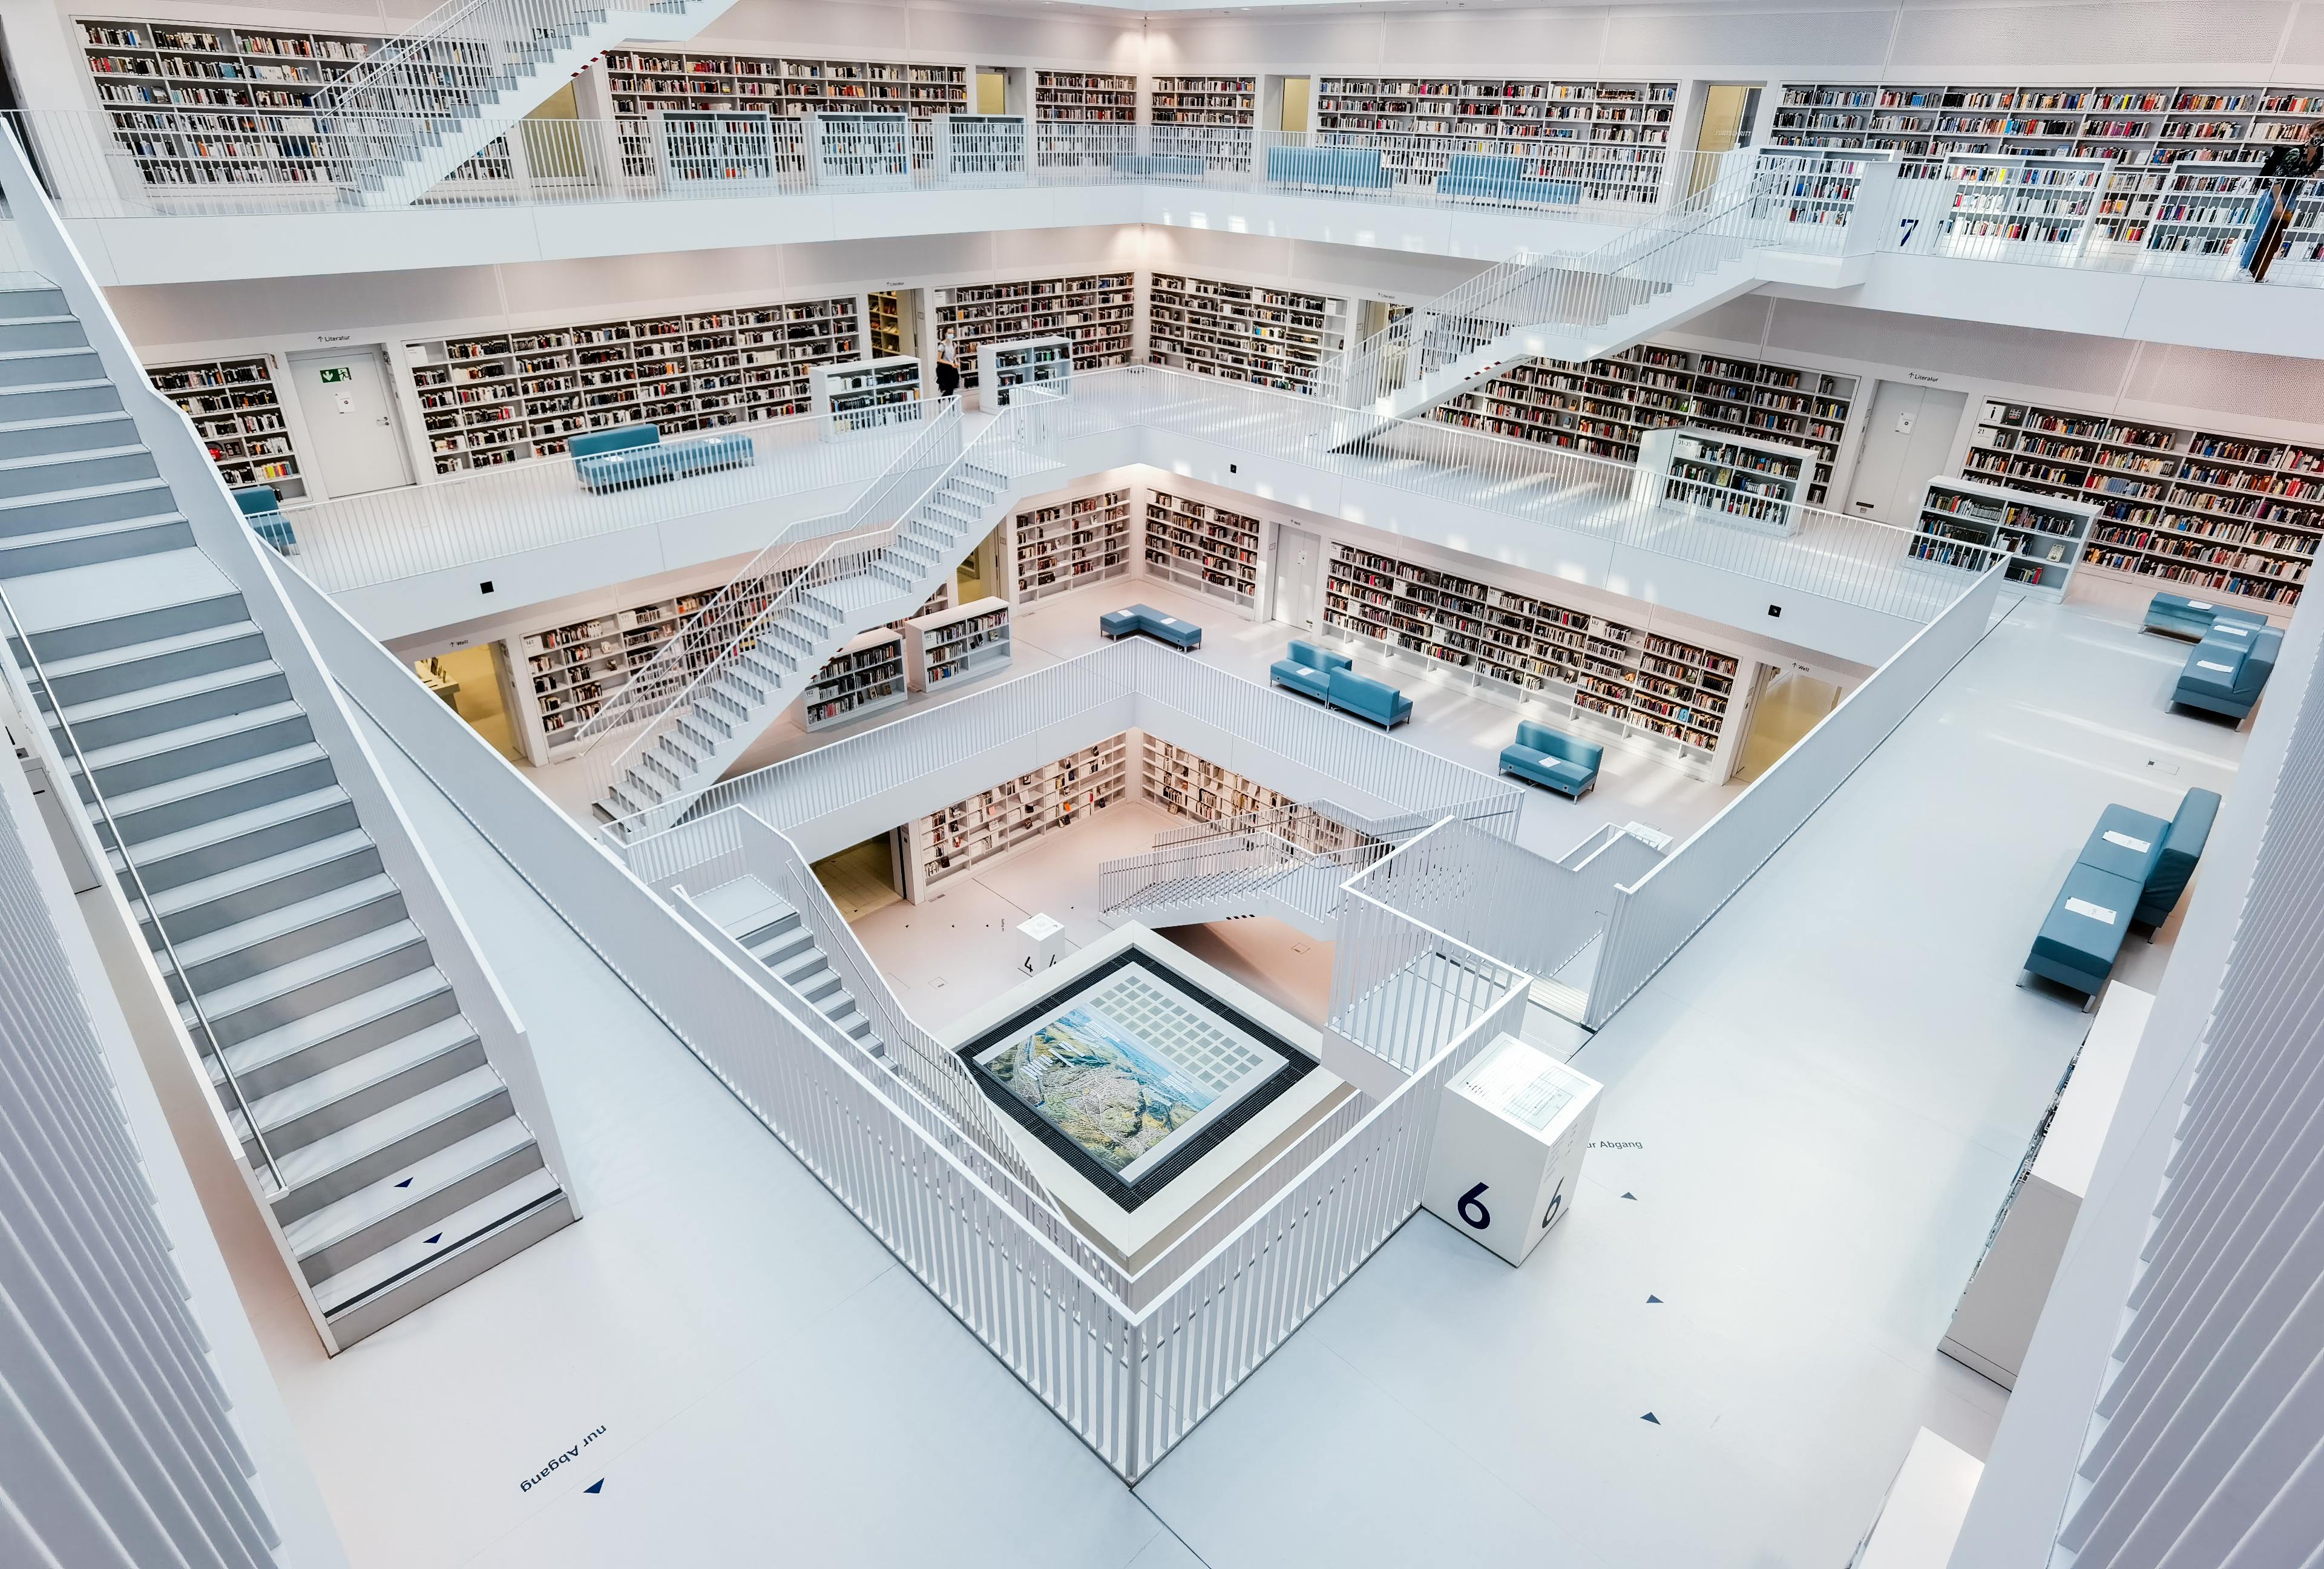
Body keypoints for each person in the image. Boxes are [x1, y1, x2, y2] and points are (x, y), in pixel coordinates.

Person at [2245, 122, 2324, 282]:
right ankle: (2244, 269)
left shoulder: (2319, 156)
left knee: (2275, 236)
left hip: (2292, 196)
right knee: (2259, 233)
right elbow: (2277, 178)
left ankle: (2259, 272)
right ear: (2310, 134)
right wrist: (2279, 203)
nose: (2319, 139)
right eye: (2317, 135)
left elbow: (2310, 174)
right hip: (2275, 196)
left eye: (2322, 137)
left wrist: (2311, 177)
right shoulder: (2295, 153)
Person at [935, 334, 962, 398]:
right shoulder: (942, 346)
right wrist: (950, 363)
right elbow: (939, 359)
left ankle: (945, 399)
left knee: (954, 384)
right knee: (950, 388)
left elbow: (954, 356)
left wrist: (956, 362)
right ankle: (943, 399)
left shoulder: (953, 345)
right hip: (945, 368)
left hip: (952, 368)